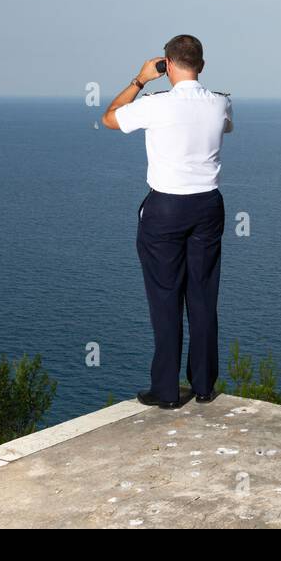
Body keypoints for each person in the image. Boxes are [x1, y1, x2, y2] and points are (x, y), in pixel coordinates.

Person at [102, 35, 232, 409]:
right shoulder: (220, 103)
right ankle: (204, 386)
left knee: (165, 298)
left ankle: (166, 391)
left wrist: (140, 80)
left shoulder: (155, 105)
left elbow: (109, 118)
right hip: (208, 206)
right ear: (201, 66)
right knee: (204, 296)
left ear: (168, 65)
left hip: (166, 210)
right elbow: (225, 127)